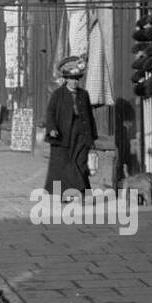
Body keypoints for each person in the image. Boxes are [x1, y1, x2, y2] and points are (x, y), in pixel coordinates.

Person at [44, 56, 98, 198]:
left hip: (81, 133)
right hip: (63, 134)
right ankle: (66, 193)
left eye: (77, 79)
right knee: (64, 164)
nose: (74, 82)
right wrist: (52, 128)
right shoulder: (58, 94)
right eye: (71, 79)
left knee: (80, 162)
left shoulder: (83, 94)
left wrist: (92, 137)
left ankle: (82, 192)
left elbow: (89, 116)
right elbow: (50, 112)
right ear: (66, 79)